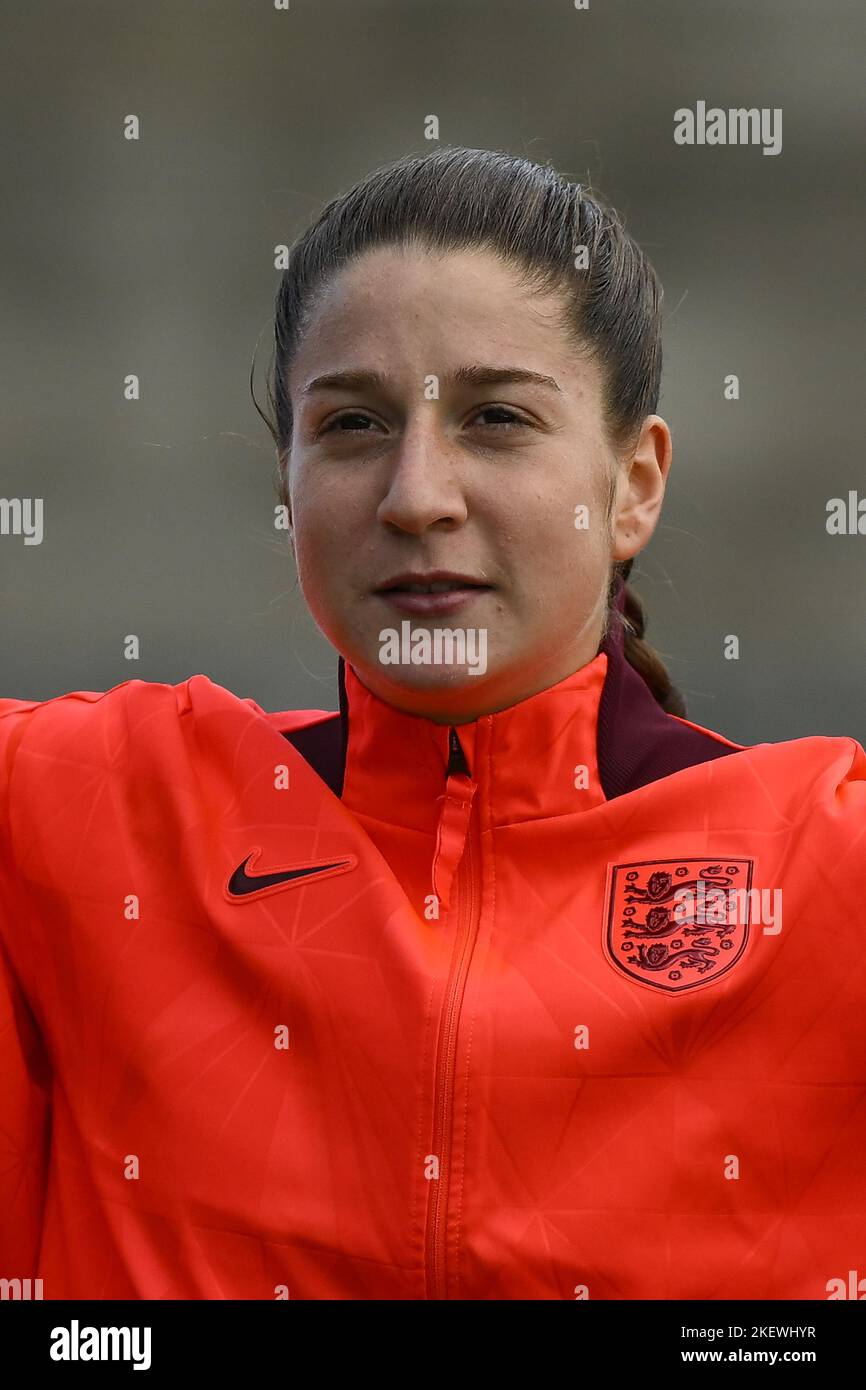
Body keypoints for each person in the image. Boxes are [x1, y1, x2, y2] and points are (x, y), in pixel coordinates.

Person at [1, 146, 864, 1302]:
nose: (415, 495)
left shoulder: (825, 872)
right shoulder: (81, 810)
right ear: (286, 479)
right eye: (351, 425)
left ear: (632, 483)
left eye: (496, 418)